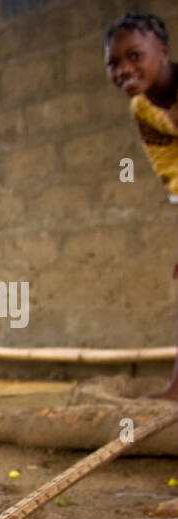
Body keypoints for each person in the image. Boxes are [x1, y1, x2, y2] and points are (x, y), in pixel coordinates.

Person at [106, 12, 178, 400]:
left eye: (135, 56)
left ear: (163, 52)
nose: (124, 69)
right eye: (114, 64)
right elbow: (173, 172)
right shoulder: (144, 109)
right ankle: (177, 390)